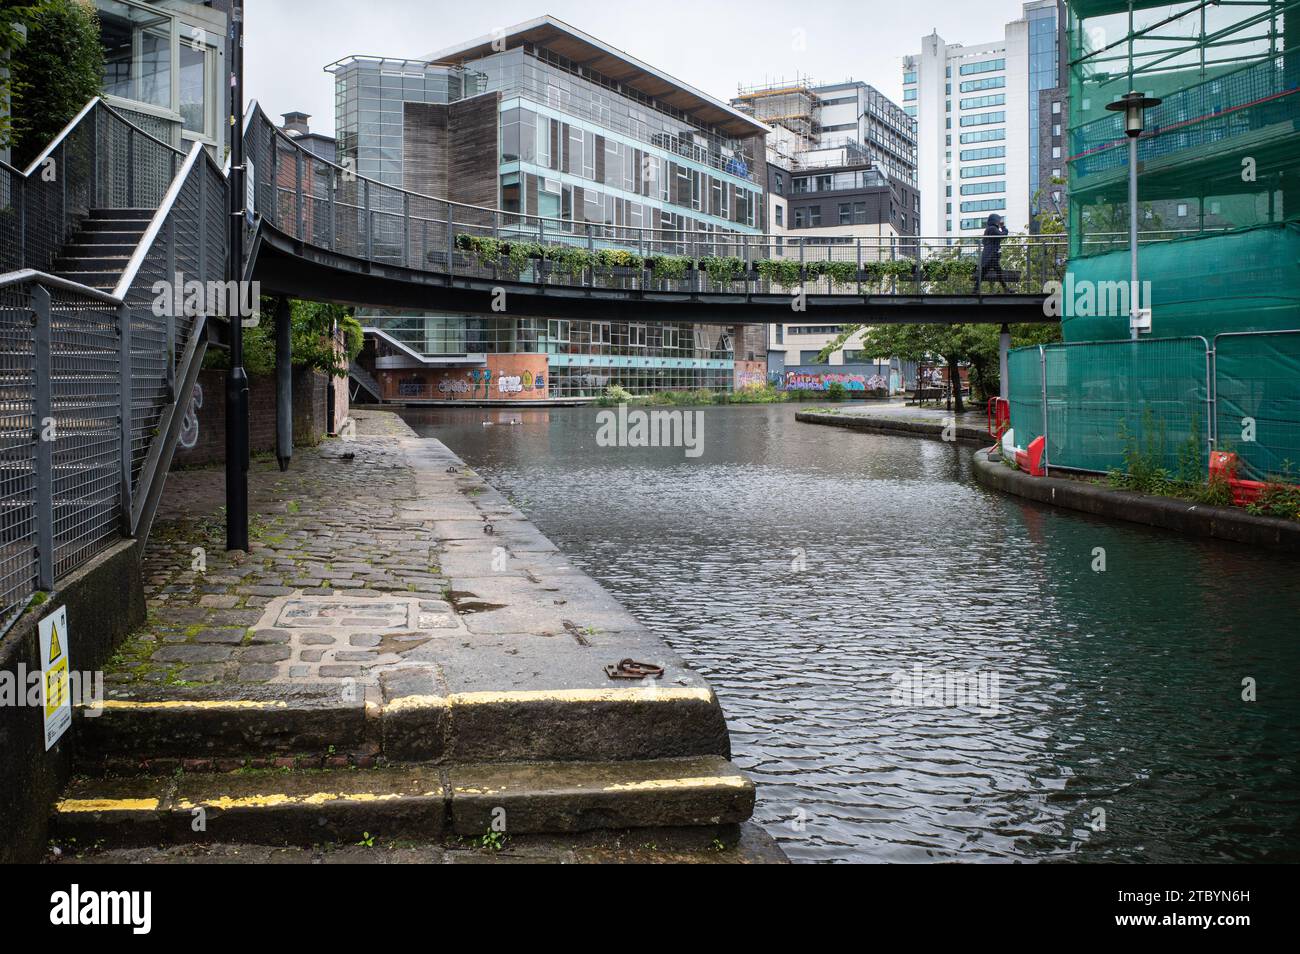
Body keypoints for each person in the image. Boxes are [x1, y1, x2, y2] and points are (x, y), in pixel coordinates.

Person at [975, 213, 1010, 293]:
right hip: (991, 255)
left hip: (989, 255)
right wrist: (1003, 227)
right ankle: (1006, 289)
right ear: (994, 220)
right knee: (997, 272)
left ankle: (975, 289)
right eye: (998, 220)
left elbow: (985, 242)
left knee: (986, 272)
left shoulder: (988, 229)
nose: (999, 222)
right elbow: (1002, 235)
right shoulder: (993, 228)